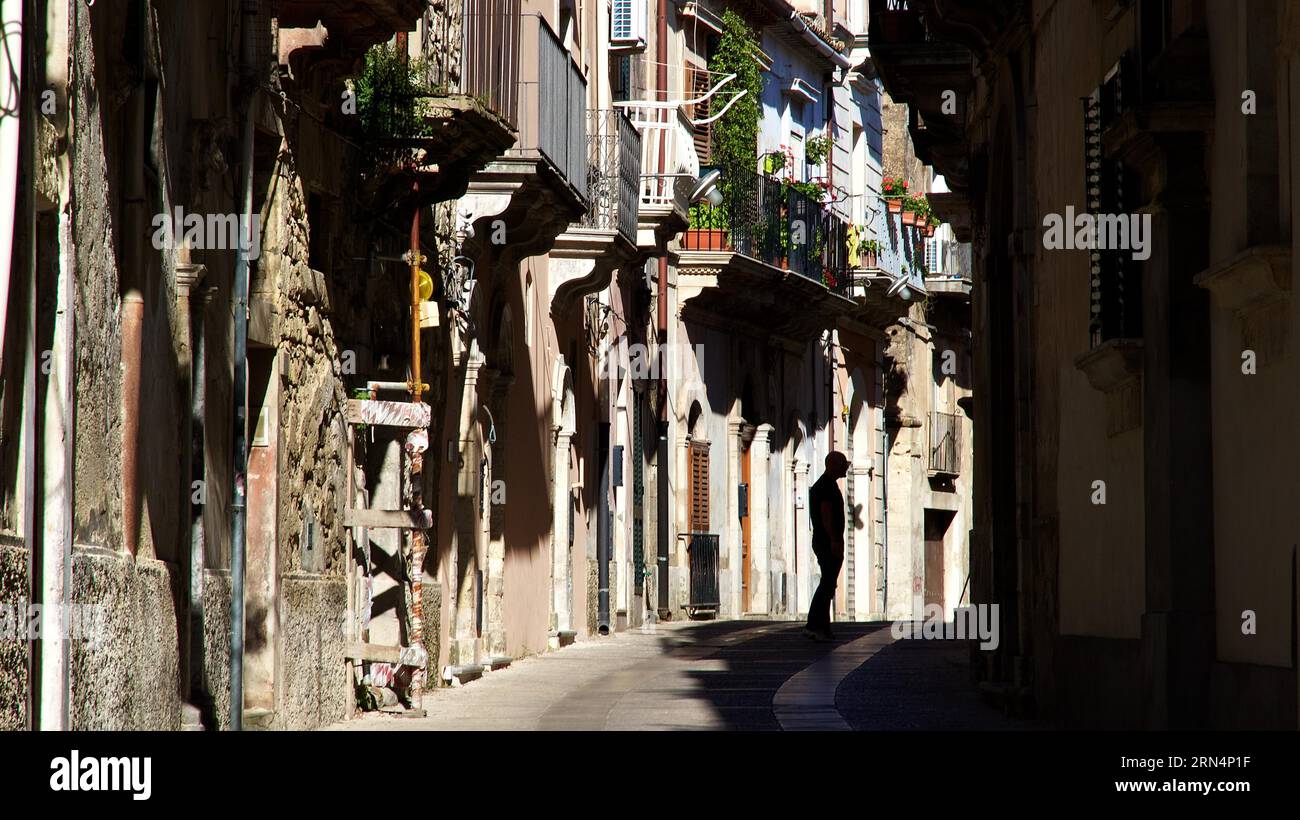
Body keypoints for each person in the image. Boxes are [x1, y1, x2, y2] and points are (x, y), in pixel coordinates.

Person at [805, 451, 848, 642]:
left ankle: (823, 626)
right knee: (827, 584)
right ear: (832, 465)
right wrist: (835, 540)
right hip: (827, 541)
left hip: (825, 540)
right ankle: (814, 626)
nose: (846, 467)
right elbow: (826, 514)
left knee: (829, 584)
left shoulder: (825, 485)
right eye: (843, 464)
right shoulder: (825, 488)